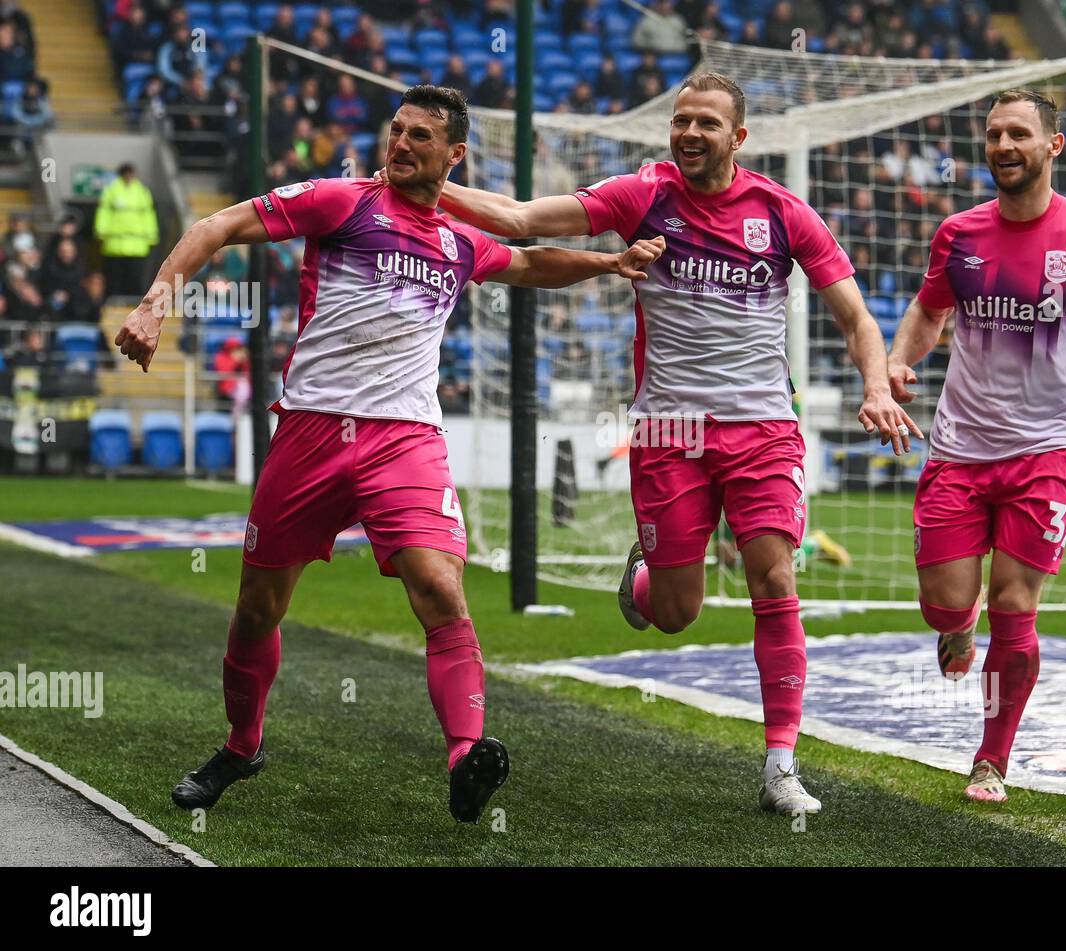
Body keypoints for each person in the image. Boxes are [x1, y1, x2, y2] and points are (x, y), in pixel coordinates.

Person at [114, 85, 665, 824]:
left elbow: (531, 265)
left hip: (405, 439)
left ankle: (466, 755)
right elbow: (218, 225)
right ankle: (242, 746)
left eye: (419, 136)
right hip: (311, 431)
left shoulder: (458, 241)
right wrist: (156, 303)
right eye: (395, 130)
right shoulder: (341, 202)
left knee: (440, 591)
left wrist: (608, 263)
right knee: (256, 610)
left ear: (454, 154)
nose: (400, 144)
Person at [428, 71, 917, 817]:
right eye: (681, 120)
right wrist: (439, 183)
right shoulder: (642, 195)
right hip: (670, 432)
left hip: (761, 427)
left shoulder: (782, 213)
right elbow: (524, 220)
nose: (688, 132)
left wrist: (877, 387)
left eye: (706, 123)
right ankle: (645, 580)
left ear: (739, 138)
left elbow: (855, 316)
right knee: (677, 611)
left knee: (775, 580)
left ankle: (780, 766)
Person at [886, 89, 1066, 803]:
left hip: (1047, 449)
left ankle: (991, 759)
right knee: (945, 606)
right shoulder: (960, 234)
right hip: (959, 446)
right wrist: (898, 360)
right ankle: (955, 625)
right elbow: (928, 310)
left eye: (1018, 134)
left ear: (1053, 147)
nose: (1002, 145)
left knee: (1015, 602)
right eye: (993, 134)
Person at [94, 162, 159, 298]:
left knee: (135, 279)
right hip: (114, 244)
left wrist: (152, 234)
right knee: (114, 280)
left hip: (137, 245)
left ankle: (133, 304)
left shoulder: (142, 191)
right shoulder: (111, 190)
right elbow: (104, 212)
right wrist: (100, 230)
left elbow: (148, 214)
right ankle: (113, 303)